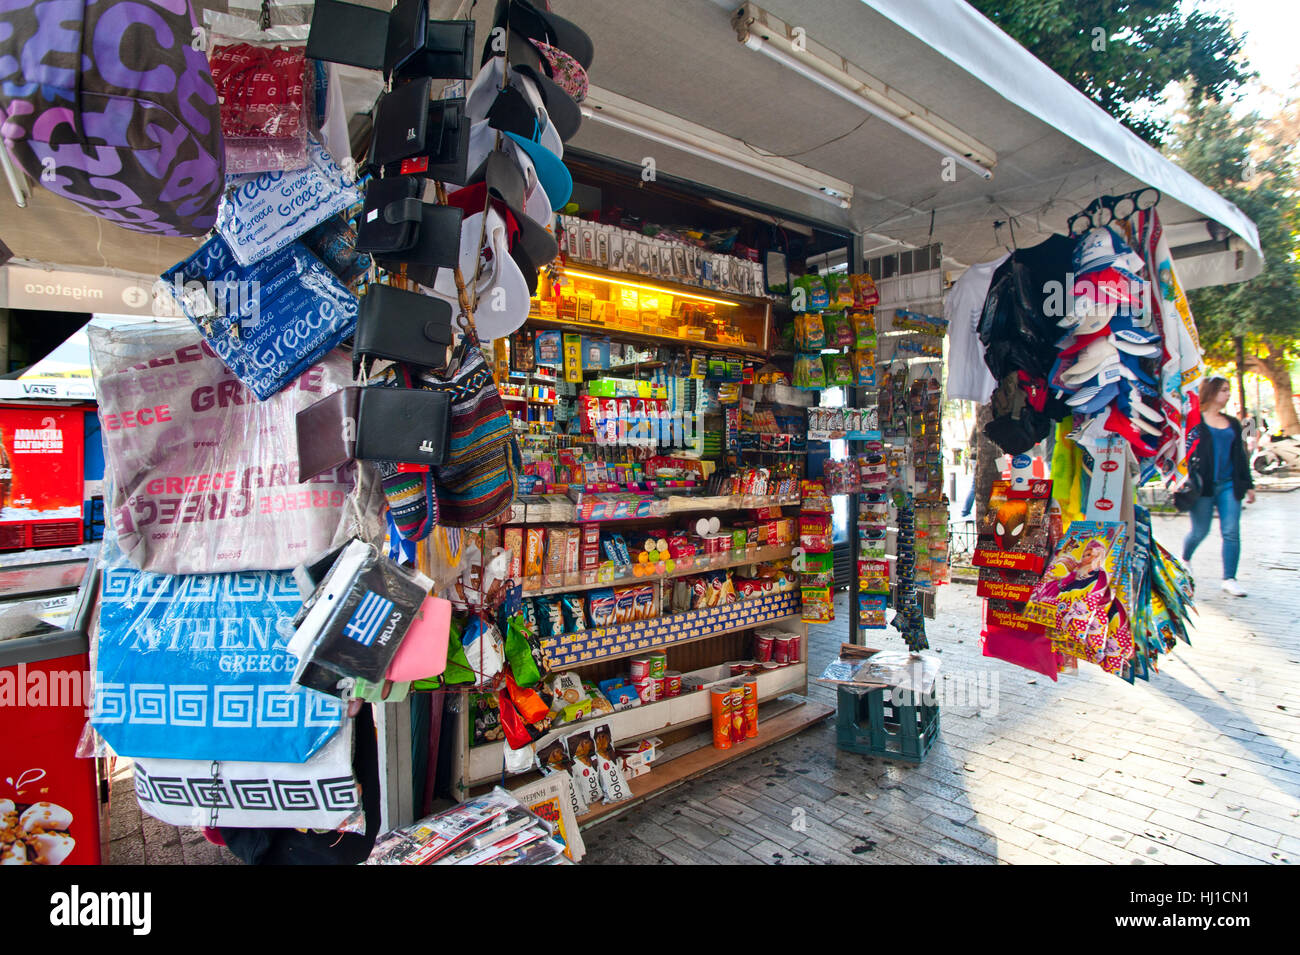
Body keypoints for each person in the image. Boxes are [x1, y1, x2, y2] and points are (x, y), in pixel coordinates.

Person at [1183, 376, 1255, 596]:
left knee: (1231, 531)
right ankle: (1185, 558)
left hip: (1229, 485)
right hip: (1202, 487)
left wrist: (1249, 484)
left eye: (1229, 390)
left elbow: (1240, 455)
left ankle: (1229, 578)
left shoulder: (1232, 422)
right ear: (1212, 392)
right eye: (1224, 390)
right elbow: (1184, 452)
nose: (1228, 394)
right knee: (1200, 531)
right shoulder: (1194, 420)